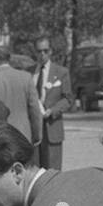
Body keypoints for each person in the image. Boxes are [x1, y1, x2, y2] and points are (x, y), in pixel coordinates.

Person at [0, 47, 42, 146]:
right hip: (23, 135)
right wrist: (37, 135)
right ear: (9, 59)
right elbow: (35, 110)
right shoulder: (26, 78)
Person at [31, 37, 72, 170]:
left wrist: (52, 111)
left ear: (51, 52)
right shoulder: (28, 72)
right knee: (34, 172)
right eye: (39, 51)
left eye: (45, 51)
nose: (42, 54)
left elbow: (68, 99)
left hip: (52, 128)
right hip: (33, 131)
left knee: (53, 172)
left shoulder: (61, 72)